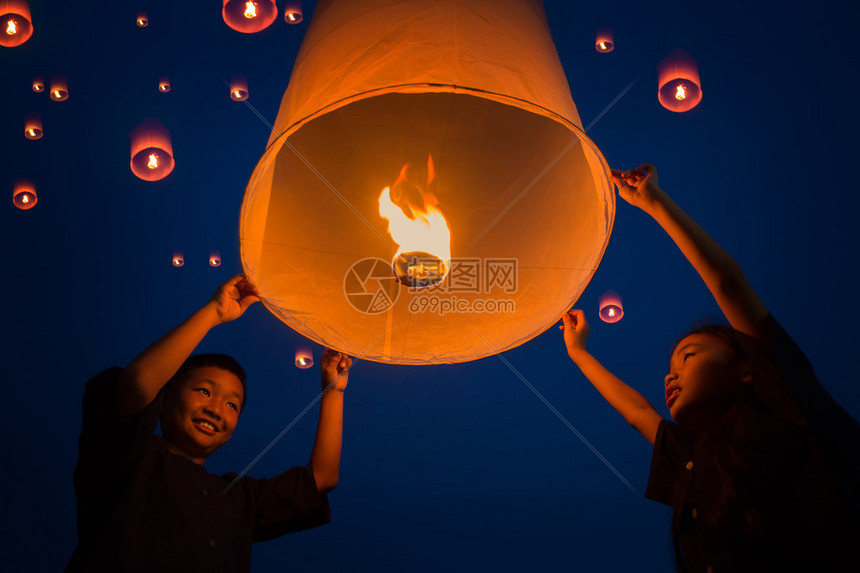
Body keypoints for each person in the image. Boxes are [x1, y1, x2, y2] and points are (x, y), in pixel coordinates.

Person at [561, 165, 860, 573]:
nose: (669, 375)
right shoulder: (698, 458)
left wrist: (653, 201)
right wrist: (579, 353)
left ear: (747, 368)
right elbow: (638, 413)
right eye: (672, 365)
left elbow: (728, 286)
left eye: (689, 355)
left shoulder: (788, 405)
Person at [67, 274, 351, 572]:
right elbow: (137, 385)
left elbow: (321, 478)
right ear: (166, 397)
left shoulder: (239, 499)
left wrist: (333, 391)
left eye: (232, 405)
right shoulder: (128, 456)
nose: (216, 410)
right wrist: (213, 313)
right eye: (204, 391)